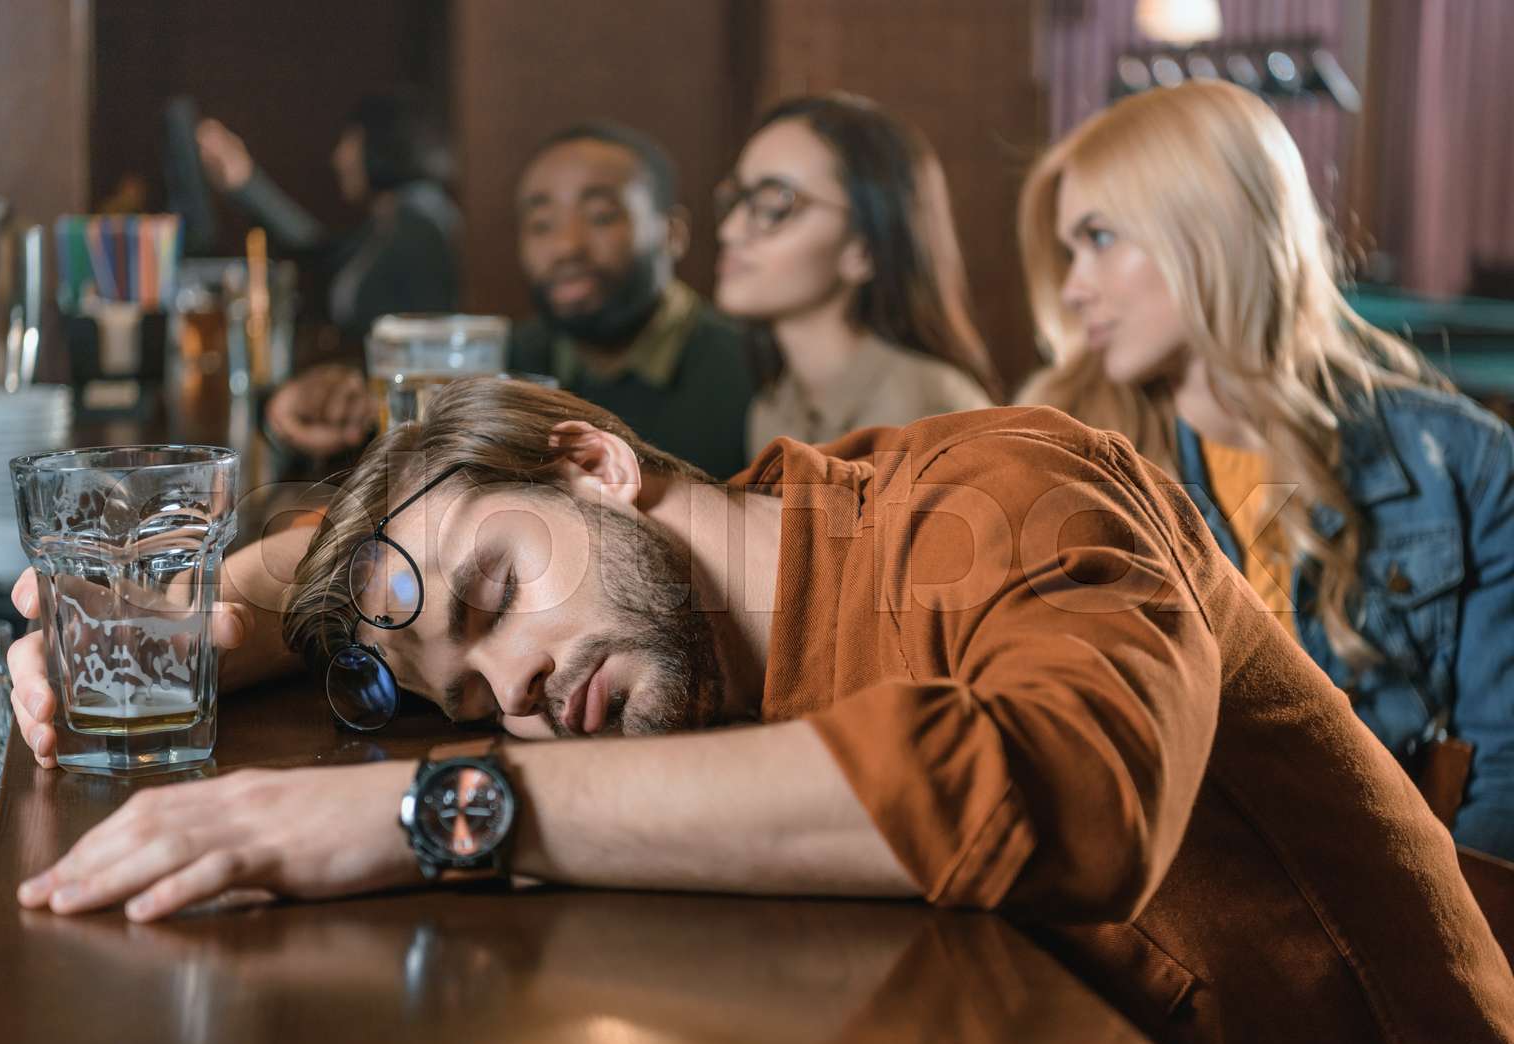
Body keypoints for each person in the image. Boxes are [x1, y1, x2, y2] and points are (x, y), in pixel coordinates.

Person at [7, 377, 1514, 1044]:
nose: (512, 688)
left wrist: (436, 808)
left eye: (499, 593)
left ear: (597, 463)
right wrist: (186, 631)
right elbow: (392, 556)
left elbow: (1070, 793)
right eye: (467, 702)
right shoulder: (713, 607)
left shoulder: (1001, 496)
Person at [1015, 80, 1514, 859]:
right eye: (1070, 250)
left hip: (1402, 919)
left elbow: (1504, 780)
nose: (1074, 287)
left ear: (1207, 231)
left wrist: (1436, 967)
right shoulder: (1075, 460)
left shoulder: (1465, 463)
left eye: (1100, 237)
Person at [264, 121, 755, 479]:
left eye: (602, 216)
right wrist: (310, 408)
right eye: (541, 224)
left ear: (672, 234)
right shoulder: (501, 362)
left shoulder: (750, 372)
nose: (566, 247)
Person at [715, 94, 998, 457]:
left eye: (774, 204)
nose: (731, 229)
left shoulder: (928, 409)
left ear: (862, 249)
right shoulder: (772, 409)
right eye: (737, 197)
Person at [196, 90, 461, 340]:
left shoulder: (417, 230)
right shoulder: (404, 218)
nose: (338, 157)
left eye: (351, 141)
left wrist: (247, 182)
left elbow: (318, 253)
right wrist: (245, 182)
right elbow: (322, 250)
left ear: (382, 144)